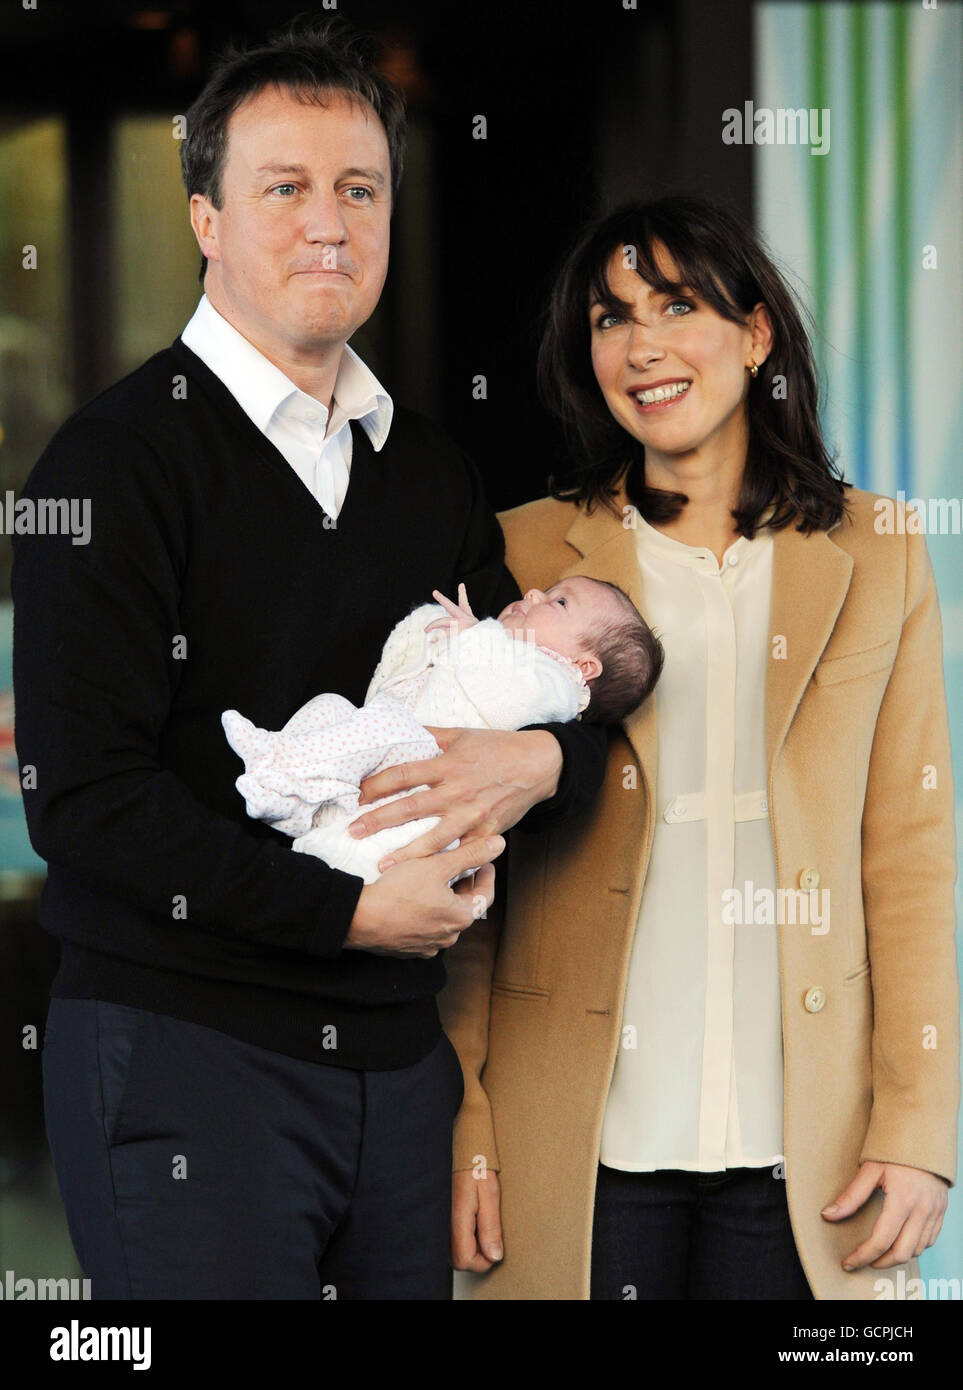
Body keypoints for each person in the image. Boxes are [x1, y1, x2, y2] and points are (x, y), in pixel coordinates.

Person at [11, 16, 609, 1300]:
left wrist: (542, 763)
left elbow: (540, 694)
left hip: (398, 1072)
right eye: (283, 188)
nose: (327, 223)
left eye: (360, 190)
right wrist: (345, 911)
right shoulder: (115, 466)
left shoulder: (433, 474)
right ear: (207, 220)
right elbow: (84, 801)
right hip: (186, 1050)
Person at [436, 196, 959, 1299]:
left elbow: (911, 856)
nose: (644, 346)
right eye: (610, 317)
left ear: (757, 333)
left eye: (679, 305)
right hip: (573, 1145)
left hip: (809, 1153)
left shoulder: (882, 550)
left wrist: (919, 1121)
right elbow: (470, 859)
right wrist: (465, 1113)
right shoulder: (529, 552)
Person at [221, 577, 663, 882]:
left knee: (381, 738)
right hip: (386, 760)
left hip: (425, 772)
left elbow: (508, 690)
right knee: (332, 706)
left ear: (584, 666)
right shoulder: (505, 647)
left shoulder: (557, 685)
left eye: (559, 602)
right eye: (546, 590)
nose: (533, 592)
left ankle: (283, 778)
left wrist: (476, 635)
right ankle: (285, 776)